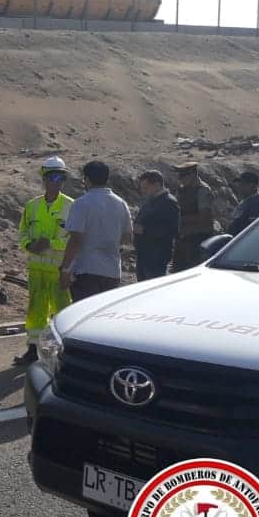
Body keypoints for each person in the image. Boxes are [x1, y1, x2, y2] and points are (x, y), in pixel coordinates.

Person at [14, 156, 75, 366]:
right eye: (51, 177)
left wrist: (50, 243)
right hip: (36, 269)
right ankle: (33, 350)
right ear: (44, 179)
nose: (55, 181)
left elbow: (73, 239)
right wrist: (29, 245)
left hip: (59, 271)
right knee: (35, 312)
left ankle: (67, 353)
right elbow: (22, 233)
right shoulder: (32, 206)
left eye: (60, 177)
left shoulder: (71, 206)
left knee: (62, 312)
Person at [59, 161, 133, 301]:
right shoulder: (121, 203)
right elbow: (128, 238)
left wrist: (65, 270)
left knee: (84, 316)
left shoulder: (82, 203)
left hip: (86, 271)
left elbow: (75, 240)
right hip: (112, 272)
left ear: (87, 180)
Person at [133, 170, 181, 281]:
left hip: (156, 257)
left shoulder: (169, 202)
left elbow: (171, 231)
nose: (143, 191)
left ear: (157, 185)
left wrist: (144, 230)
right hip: (144, 255)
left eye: (146, 188)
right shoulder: (151, 200)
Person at [171, 162, 215, 271]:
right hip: (183, 238)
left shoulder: (202, 190)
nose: (180, 179)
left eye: (182, 176)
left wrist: (182, 219)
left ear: (192, 174)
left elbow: (204, 217)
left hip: (197, 239)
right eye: (179, 176)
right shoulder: (182, 190)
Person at [226, 171, 259, 237]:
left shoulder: (257, 204)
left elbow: (252, 230)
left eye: (243, 185)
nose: (239, 187)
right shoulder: (246, 201)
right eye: (239, 184)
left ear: (253, 186)